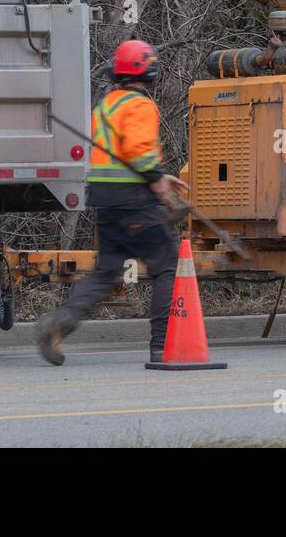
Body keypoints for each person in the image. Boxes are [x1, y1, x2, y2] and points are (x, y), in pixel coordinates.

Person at [36, 40, 190, 365]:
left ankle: (59, 323)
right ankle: (163, 348)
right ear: (148, 71)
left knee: (106, 272)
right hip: (135, 199)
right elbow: (137, 152)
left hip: (105, 200)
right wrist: (159, 184)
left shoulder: (107, 105)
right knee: (166, 267)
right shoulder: (141, 106)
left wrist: (162, 177)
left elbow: (121, 153)